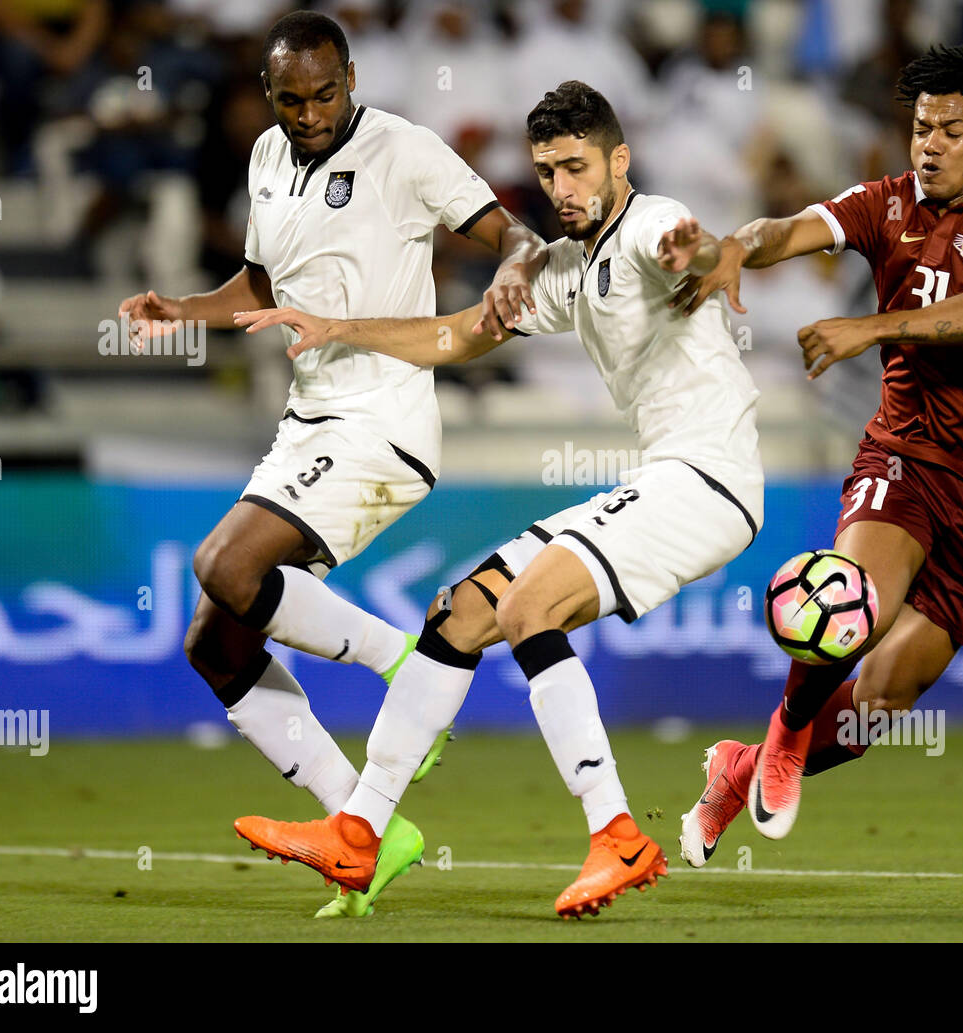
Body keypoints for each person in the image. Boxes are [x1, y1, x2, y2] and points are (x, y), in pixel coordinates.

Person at [229, 80, 765, 919]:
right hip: (662, 477)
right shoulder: (560, 267)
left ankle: (616, 833)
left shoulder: (654, 225)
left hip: (708, 481)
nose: (563, 188)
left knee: (528, 607)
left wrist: (700, 250)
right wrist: (342, 330)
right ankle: (360, 832)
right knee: (460, 615)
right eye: (548, 172)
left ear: (619, 161)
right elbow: (457, 335)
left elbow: (691, 250)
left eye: (578, 168)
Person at [116, 10, 547, 916]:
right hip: (308, 419)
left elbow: (507, 230)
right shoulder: (268, 158)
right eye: (289, 99)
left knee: (225, 565)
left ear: (351, 77)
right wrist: (181, 309)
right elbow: (267, 286)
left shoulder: (405, 150)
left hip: (383, 419)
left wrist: (513, 269)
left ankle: (405, 665)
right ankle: (366, 825)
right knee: (212, 639)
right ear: (267, 96)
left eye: (324, 94)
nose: (308, 113)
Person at [669, 45, 963, 862]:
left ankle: (738, 771)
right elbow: (792, 228)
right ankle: (781, 737)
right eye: (921, 127)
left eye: (951, 130)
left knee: (882, 700)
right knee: (853, 605)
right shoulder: (887, 203)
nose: (928, 144)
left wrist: (869, 328)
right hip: (905, 455)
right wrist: (736, 246)